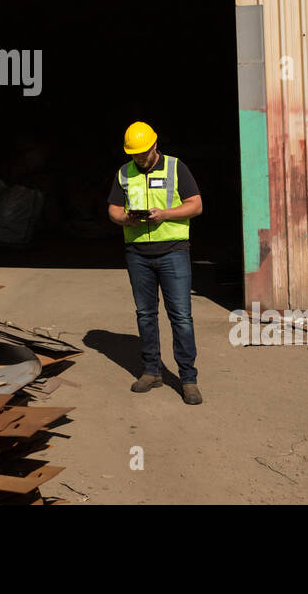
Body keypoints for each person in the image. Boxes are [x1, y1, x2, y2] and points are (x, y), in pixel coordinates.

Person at [107, 121, 204, 405]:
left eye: (142, 153)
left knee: (181, 317)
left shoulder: (176, 167)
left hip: (173, 251)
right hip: (137, 254)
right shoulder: (124, 173)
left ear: (154, 146)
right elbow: (113, 208)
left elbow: (196, 205)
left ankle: (188, 379)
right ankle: (152, 371)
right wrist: (126, 218)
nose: (138, 157)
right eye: (134, 153)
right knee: (145, 314)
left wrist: (165, 214)